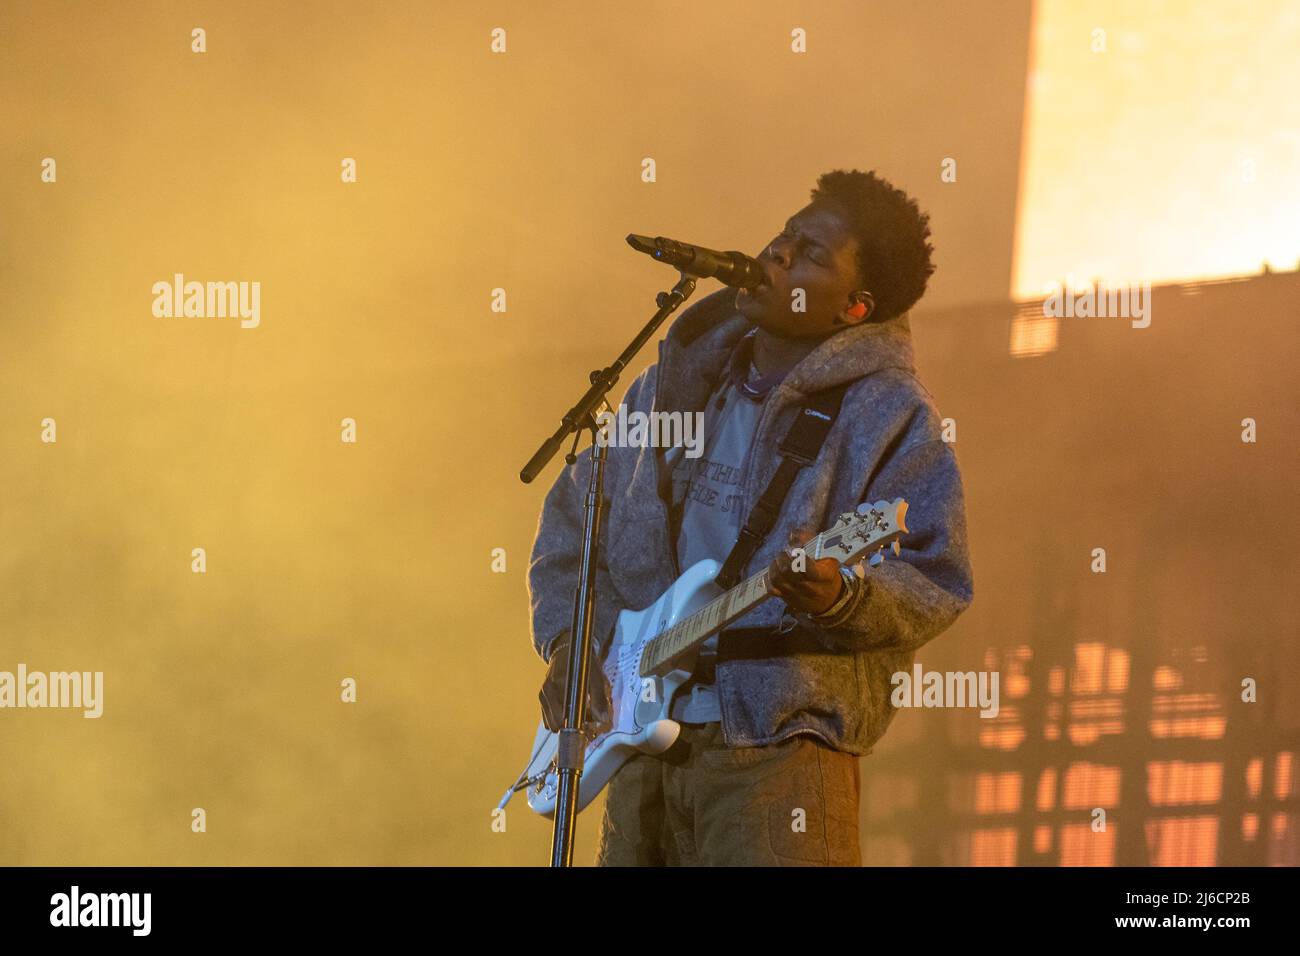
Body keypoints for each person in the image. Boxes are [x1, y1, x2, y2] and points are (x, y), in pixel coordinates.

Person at [528, 168, 974, 866]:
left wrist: (842, 596)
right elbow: (571, 524)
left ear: (855, 307)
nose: (780, 255)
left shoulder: (888, 412)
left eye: (812, 254)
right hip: (640, 745)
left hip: (776, 758)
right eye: (786, 236)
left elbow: (935, 573)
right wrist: (567, 640)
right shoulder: (669, 385)